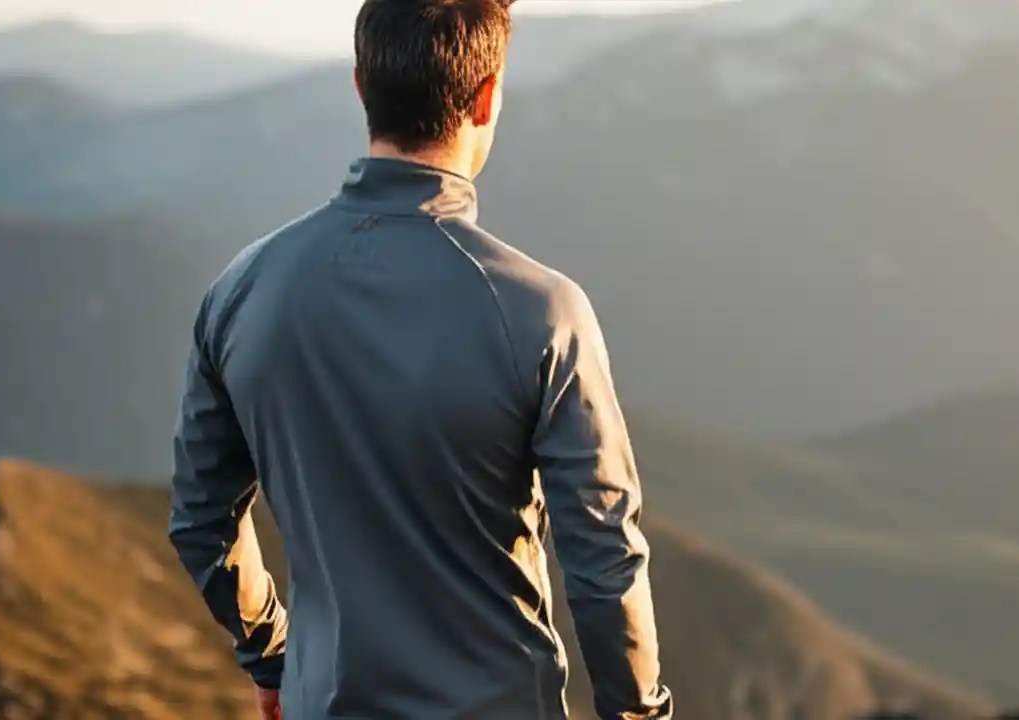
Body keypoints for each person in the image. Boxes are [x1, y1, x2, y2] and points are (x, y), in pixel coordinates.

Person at [167, 0, 673, 717]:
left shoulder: (242, 292)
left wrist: (272, 657)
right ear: (487, 95)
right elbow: (602, 561)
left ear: (360, 86)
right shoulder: (543, 313)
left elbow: (200, 518)